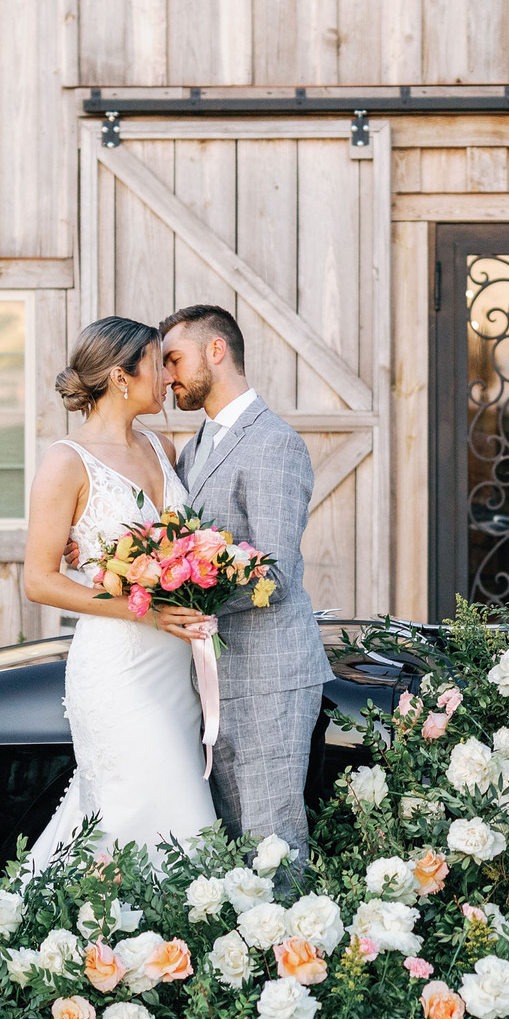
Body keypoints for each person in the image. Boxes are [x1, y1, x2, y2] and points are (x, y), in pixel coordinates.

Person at [18, 317, 217, 867]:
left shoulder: (163, 449)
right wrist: (147, 612)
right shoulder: (66, 462)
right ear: (121, 376)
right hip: (117, 670)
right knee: (146, 808)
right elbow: (38, 579)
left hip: (175, 671)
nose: (168, 377)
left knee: (170, 804)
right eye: (158, 363)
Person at [155, 304, 326, 879]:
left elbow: (275, 574)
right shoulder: (193, 445)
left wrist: (187, 596)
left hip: (269, 675)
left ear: (216, 350)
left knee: (273, 842)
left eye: (174, 359)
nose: (167, 376)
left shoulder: (274, 444)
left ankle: (292, 961)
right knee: (231, 844)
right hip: (214, 676)